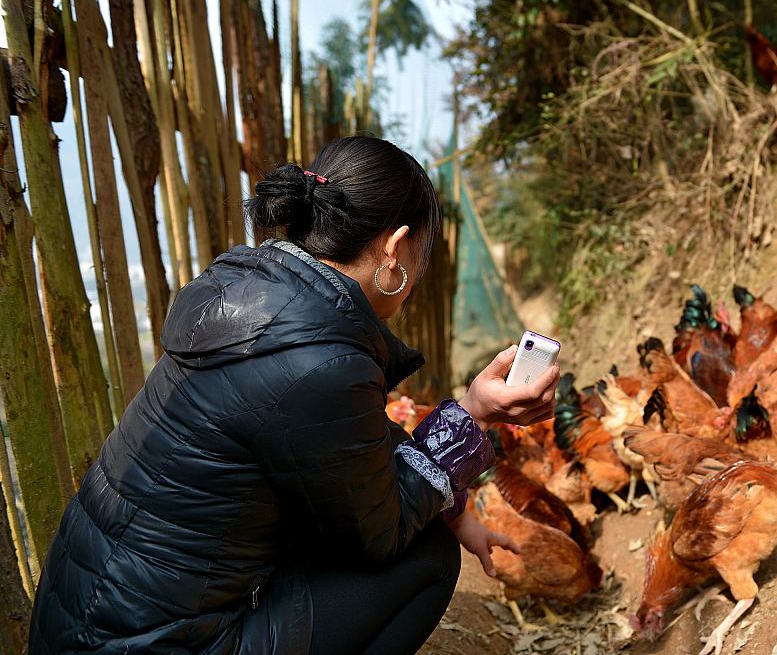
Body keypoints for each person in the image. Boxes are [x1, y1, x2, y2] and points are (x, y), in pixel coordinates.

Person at [27, 136, 560, 655]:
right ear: (394, 249)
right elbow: (382, 531)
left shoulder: (250, 291)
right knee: (427, 559)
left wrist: (455, 504)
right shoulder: (319, 359)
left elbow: (339, 448)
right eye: (422, 254)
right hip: (151, 642)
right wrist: (473, 415)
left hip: (81, 621)